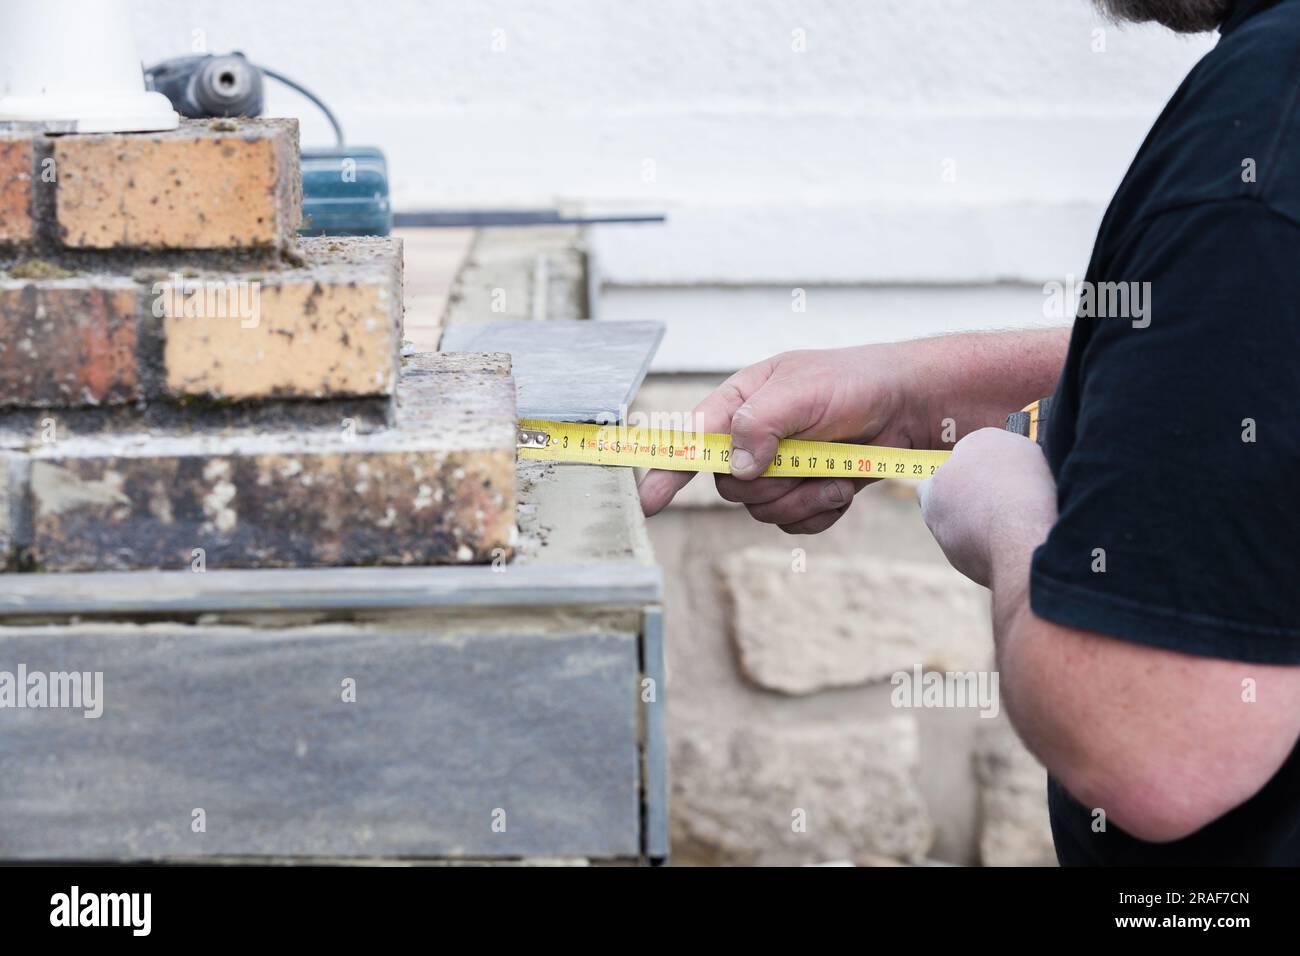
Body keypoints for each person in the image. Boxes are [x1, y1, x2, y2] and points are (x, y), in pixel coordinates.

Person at [638, 0, 1300, 865]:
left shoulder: (1264, 134)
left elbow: (1154, 748)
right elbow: (1214, 357)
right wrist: (915, 394)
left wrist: (1005, 512)